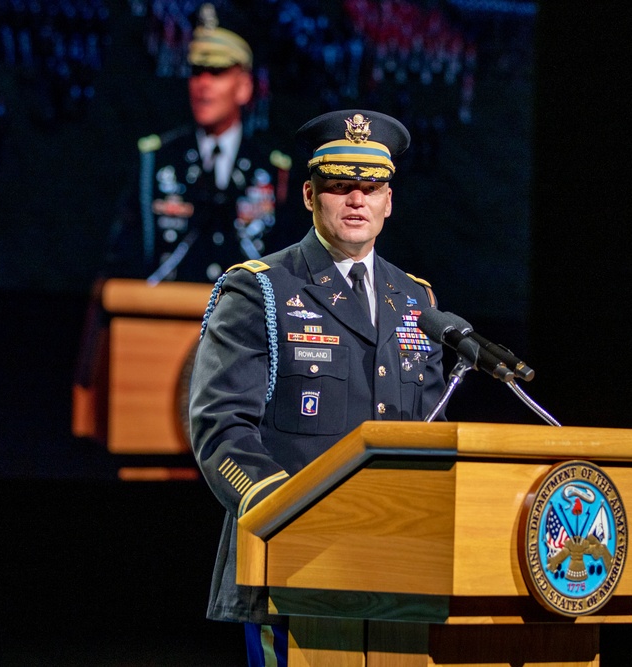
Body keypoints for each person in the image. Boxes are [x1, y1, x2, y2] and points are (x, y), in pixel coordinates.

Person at [188, 109, 446, 666]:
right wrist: (282, 509)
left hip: (400, 568)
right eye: (339, 185)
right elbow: (220, 426)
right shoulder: (260, 289)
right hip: (294, 565)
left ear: (389, 201)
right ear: (309, 195)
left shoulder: (416, 301)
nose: (357, 200)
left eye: (371, 186)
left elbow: (432, 432)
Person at [105, 3, 294, 284]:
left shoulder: (273, 168)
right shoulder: (157, 161)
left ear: (244, 87)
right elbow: (125, 262)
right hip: (161, 320)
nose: (203, 84)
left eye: (217, 72)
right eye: (197, 71)